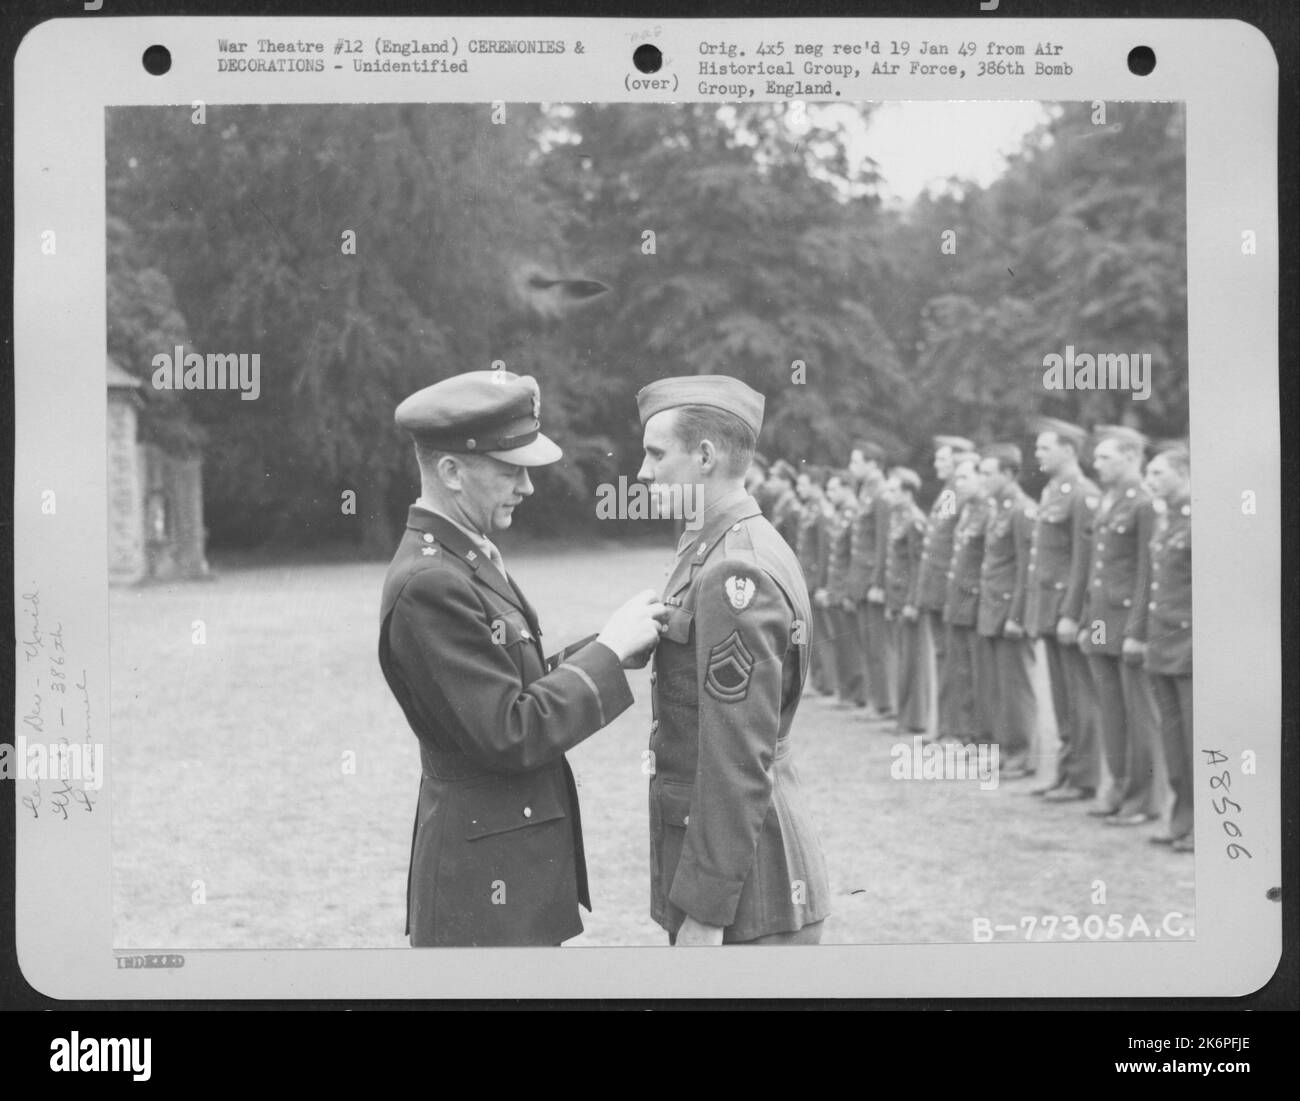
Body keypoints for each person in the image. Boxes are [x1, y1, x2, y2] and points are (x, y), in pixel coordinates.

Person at [378, 369, 666, 947]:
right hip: (484, 886)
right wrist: (606, 655)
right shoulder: (431, 581)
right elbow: (509, 730)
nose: (528, 487)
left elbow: (512, 680)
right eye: (511, 471)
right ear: (452, 472)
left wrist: (608, 644)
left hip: (504, 863)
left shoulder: (465, 557)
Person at [636, 374, 830, 945]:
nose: (643, 472)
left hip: (750, 892)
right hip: (746, 870)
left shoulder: (733, 567)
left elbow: (735, 758)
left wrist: (705, 911)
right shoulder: (722, 541)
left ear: (704, 456)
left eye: (655, 453)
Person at [1079, 427, 1161, 826]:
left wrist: (1138, 631)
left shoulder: (1144, 502)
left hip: (1127, 621)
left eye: (1105, 457)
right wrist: (1085, 621)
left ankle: (1142, 799)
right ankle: (1117, 787)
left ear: (1131, 457)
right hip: (1100, 620)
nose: (1096, 464)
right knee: (1110, 710)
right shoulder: (1109, 500)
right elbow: (1098, 569)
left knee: (1137, 713)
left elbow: (1148, 572)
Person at [1026, 417, 1102, 802]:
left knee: (1079, 696)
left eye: (1045, 447)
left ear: (1069, 450)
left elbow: (1082, 562)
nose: (1038, 453)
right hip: (1049, 609)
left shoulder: (1082, 494)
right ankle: (1066, 772)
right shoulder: (1053, 491)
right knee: (1061, 696)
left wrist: (1073, 613)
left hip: (1067, 611)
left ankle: (1084, 777)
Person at [1136, 446, 1194, 853]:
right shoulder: (1164, 517)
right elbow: (1153, 583)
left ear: (1183, 473)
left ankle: (1202, 827)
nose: (1150, 479)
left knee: (1196, 740)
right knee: (1173, 741)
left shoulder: (1200, 517)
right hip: (1162, 643)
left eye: (1158, 473)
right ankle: (1181, 819)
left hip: (1190, 645)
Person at [905, 436, 975, 741]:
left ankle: (954, 729)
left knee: (954, 665)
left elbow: (951, 548)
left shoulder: (959, 495)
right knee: (944, 661)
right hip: (938, 591)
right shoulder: (948, 494)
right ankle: (945, 727)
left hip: (950, 592)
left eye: (944, 459)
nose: (937, 464)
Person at [976, 445, 1038, 777]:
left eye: (988, 473)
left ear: (1009, 474)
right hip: (992, 610)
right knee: (998, 686)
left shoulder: (1022, 510)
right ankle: (1005, 748)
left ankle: (1022, 753)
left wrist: (1017, 616)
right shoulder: (998, 509)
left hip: (1009, 613)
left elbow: (1028, 569)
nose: (982, 480)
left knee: (1016, 686)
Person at [940, 453, 988, 746]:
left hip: (975, 601)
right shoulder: (967, 510)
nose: (959, 483)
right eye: (957, 478)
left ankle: (975, 734)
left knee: (976, 673)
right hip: (958, 600)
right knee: (960, 670)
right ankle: (962, 731)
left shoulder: (987, 510)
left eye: (966, 477)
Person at [848, 442, 898, 720]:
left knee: (879, 645)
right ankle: (876, 701)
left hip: (872, 578)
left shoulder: (881, 493)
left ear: (873, 463)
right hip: (862, 576)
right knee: (869, 643)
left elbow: (882, 542)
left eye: (856, 462)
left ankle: (885, 703)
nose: (851, 468)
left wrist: (879, 582)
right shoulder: (867, 491)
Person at [882, 467, 930, 736]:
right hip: (898, 597)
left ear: (907, 493)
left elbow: (918, 565)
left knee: (914, 661)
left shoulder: (914, 520)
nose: (888, 495)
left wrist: (913, 601)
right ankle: (905, 716)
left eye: (893, 490)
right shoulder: (898, 518)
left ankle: (916, 719)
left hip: (909, 599)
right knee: (904, 659)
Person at [818, 469, 867, 708]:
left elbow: (853, 558)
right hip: (836, 588)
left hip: (846, 589)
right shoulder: (840, 514)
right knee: (841, 644)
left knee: (851, 646)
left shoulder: (853, 513)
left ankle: (857, 694)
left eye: (834, 489)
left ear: (848, 488)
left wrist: (847, 591)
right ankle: (846, 692)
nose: (830, 494)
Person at [794, 468, 837, 696]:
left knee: (822, 634)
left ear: (815, 484)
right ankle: (819, 681)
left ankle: (827, 682)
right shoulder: (810, 509)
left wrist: (821, 584)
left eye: (803, 484)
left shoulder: (822, 511)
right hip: (806, 579)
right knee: (812, 634)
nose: (799, 489)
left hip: (815, 580)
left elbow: (824, 552)